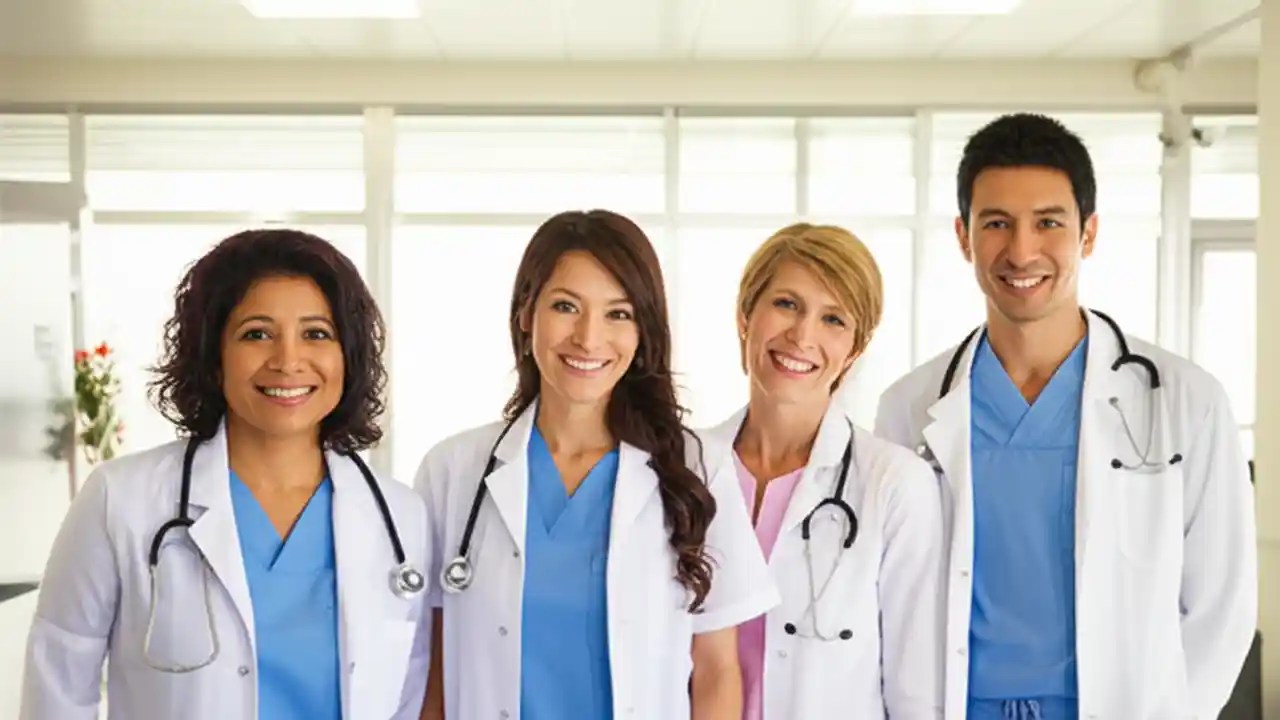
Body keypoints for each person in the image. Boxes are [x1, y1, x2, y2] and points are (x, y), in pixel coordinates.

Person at [874, 113, 1257, 720]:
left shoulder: (1188, 402)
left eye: (1048, 222)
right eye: (996, 223)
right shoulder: (908, 408)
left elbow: (1222, 604)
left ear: (1089, 232)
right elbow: (890, 603)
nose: (1021, 250)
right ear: (963, 235)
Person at [21, 229, 432, 720]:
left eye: (316, 333)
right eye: (257, 333)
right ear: (214, 357)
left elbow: (408, 695)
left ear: (349, 357)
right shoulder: (122, 499)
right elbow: (59, 683)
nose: (287, 360)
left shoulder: (400, 516)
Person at [413, 209, 778, 720]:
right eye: (566, 306)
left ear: (642, 330)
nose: (588, 338)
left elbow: (717, 671)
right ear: (526, 312)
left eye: (618, 314)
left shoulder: (698, 466)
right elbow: (434, 670)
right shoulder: (454, 471)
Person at [700, 223, 944, 720]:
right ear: (745, 315)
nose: (802, 335)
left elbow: (916, 691)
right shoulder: (686, 469)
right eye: (786, 304)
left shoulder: (894, 485)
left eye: (833, 319)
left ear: (854, 349)